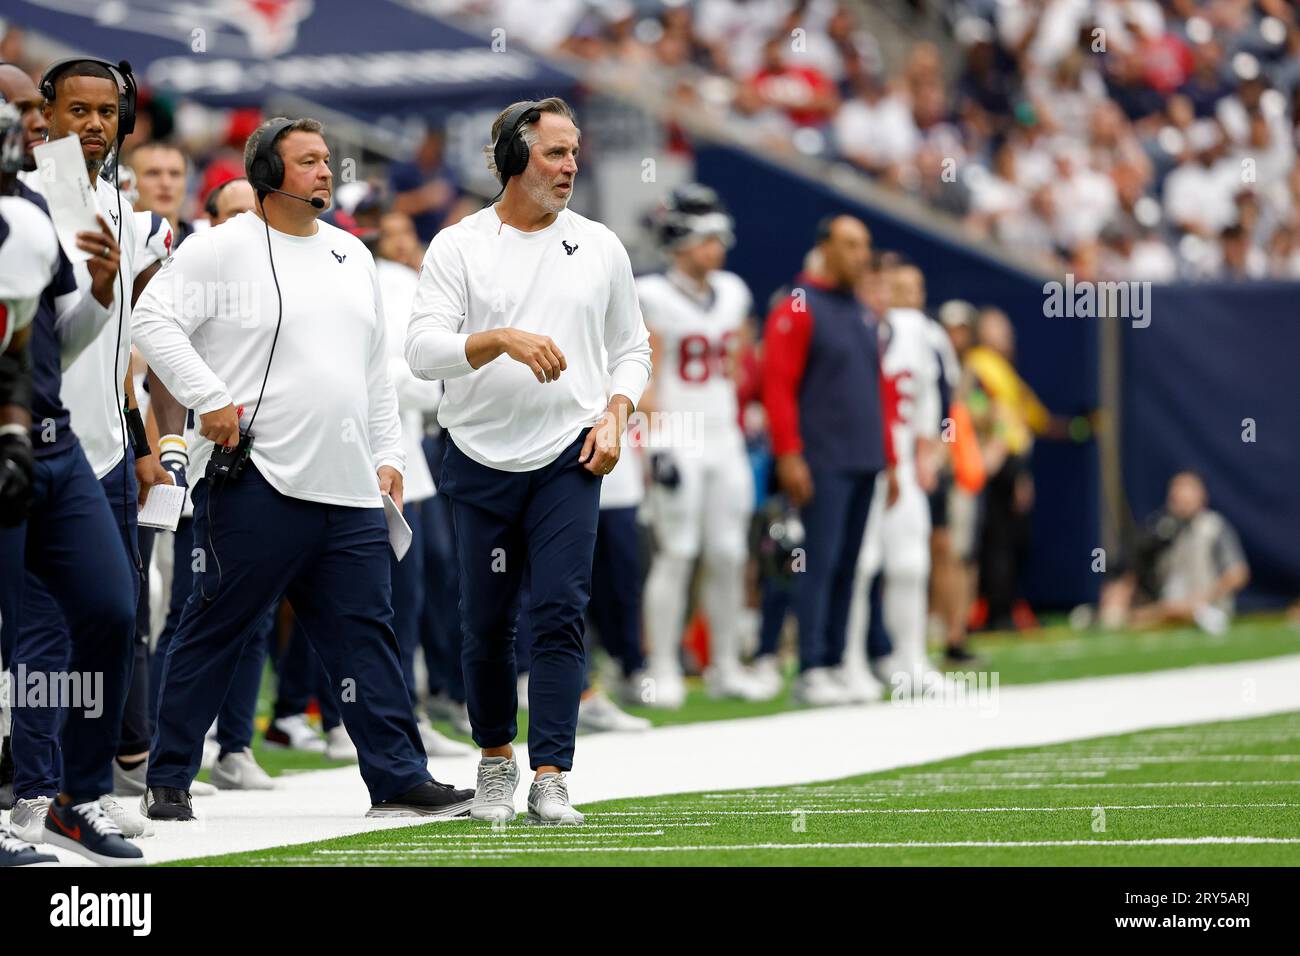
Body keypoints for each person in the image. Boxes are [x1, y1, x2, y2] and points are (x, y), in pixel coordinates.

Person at [133, 115, 473, 821]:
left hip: (348, 485)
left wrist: (387, 455)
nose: (326, 172)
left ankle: (398, 775)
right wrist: (209, 398)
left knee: (367, 630)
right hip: (258, 479)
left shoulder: (352, 255)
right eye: (310, 161)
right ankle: (167, 775)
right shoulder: (218, 250)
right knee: (216, 624)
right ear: (268, 174)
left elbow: (373, 372)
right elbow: (151, 323)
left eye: (327, 160)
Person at [405, 97, 651, 824]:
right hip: (478, 457)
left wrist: (615, 413)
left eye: (574, 151)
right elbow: (421, 351)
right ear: (514, 157)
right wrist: (499, 339)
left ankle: (551, 772)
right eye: (554, 152)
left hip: (568, 457)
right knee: (483, 621)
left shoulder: (602, 244)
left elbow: (632, 349)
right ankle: (493, 761)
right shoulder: (458, 245)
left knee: (560, 609)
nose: (571, 165)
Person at [3, 58, 152, 865]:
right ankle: (33, 793)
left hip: (89, 442)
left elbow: (73, 333)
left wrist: (100, 292)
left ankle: (73, 793)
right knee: (39, 645)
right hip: (36, 444)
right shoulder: (41, 191)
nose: (91, 125)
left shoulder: (108, 198)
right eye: (71, 111)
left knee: (110, 616)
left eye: (108, 113)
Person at [637, 184, 773, 707]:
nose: (715, 249)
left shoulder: (734, 292)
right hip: (677, 433)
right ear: (679, 240)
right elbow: (645, 374)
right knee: (677, 552)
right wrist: (653, 441)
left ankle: (724, 665)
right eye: (705, 239)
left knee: (730, 552)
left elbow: (737, 366)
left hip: (723, 433)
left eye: (719, 239)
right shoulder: (652, 295)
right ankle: (663, 667)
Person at [761, 215, 891, 706]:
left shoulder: (860, 310)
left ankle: (836, 661)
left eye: (865, 245)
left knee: (849, 565)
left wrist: (889, 459)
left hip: (863, 459)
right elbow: (777, 386)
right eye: (851, 245)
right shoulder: (799, 304)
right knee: (818, 562)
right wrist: (789, 454)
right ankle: (811, 666)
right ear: (825, 249)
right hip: (822, 459)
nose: (862, 255)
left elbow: (875, 392)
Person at [373, 208, 472, 758]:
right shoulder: (362, 275)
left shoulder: (415, 283)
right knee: (376, 591)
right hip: (366, 451)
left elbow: (426, 373)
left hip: (409, 451)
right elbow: (401, 374)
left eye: (402, 230)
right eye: (385, 230)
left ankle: (418, 702)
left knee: (424, 578)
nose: (399, 242)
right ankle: (329, 712)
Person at [848, 263, 947, 696]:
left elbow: (929, 393)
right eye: (874, 284)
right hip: (859, 460)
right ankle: (850, 661)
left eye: (888, 286)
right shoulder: (846, 324)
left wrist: (927, 449)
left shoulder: (915, 330)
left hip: (904, 459)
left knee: (911, 563)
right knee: (861, 565)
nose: (882, 294)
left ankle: (913, 661)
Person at [1096, 471, 1250, 634]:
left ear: (1201, 497)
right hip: (1169, 604)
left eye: (1186, 496)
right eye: (1176, 496)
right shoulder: (1162, 528)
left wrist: (1202, 597)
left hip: (1206, 607)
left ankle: (1138, 617)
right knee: (1117, 604)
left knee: (1166, 613)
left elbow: (1238, 574)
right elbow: (1137, 561)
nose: (1181, 502)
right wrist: (1123, 590)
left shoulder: (1213, 527)